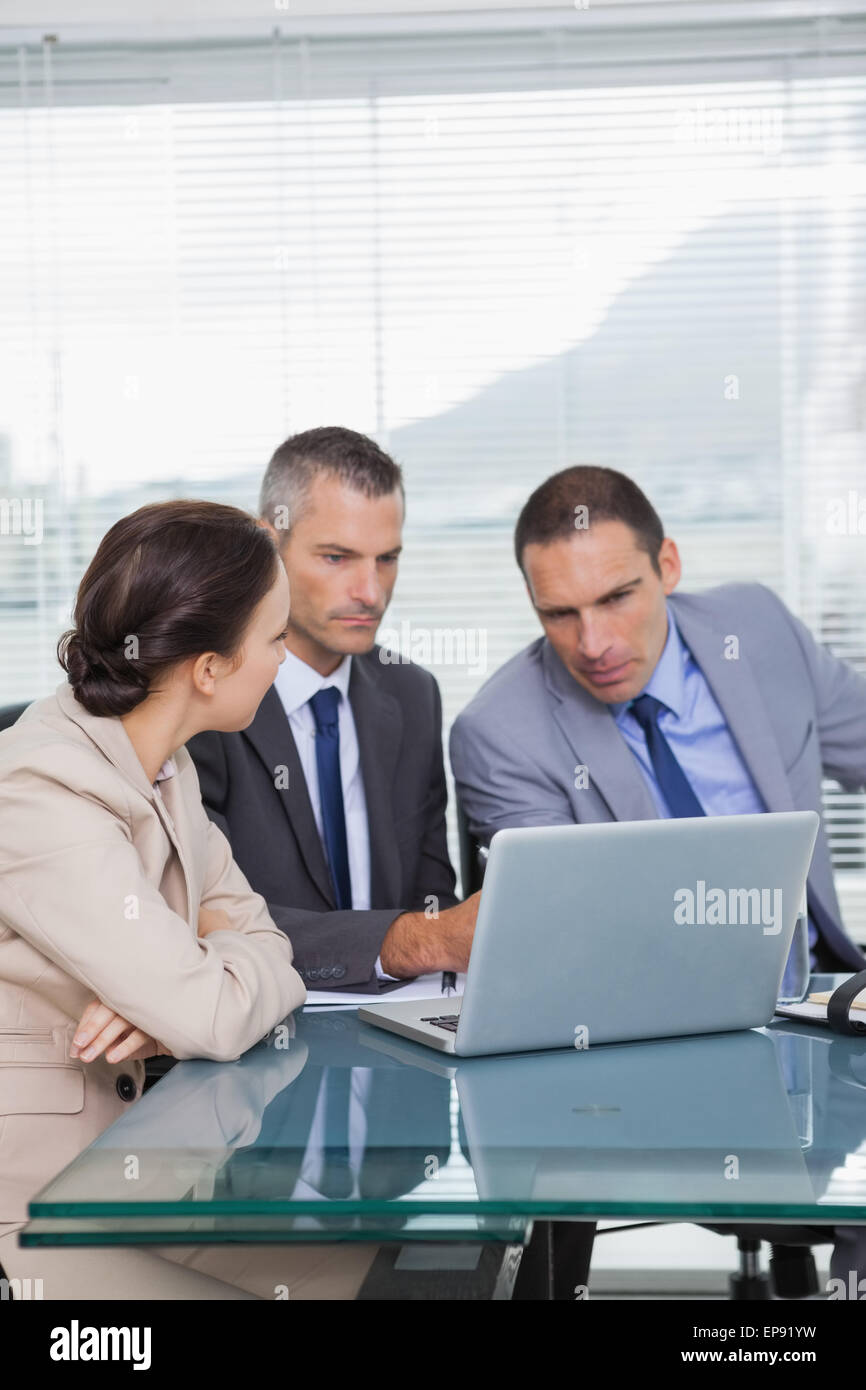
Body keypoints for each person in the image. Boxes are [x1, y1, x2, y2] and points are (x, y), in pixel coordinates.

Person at [450, 463, 866, 1294]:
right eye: (559, 614)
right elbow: (573, 948)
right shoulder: (500, 732)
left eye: (617, 598)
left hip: (830, 1008)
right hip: (656, 1052)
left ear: (668, 565)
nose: (594, 643)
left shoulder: (760, 629)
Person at [0, 499, 376, 1299]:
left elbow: (267, 942)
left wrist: (178, 982)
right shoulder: (38, 788)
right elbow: (211, 1013)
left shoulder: (167, 762)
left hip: (137, 1177)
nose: (284, 658)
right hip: (32, 1211)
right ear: (209, 668)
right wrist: (191, 984)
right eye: (275, 638)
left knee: (361, 1270)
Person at [187, 426, 479, 990]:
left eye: (387, 559)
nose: (371, 591)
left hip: (399, 1031)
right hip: (257, 1033)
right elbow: (203, 922)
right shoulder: (202, 698)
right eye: (337, 557)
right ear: (268, 545)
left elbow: (432, 898)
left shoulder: (411, 694)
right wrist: (413, 941)